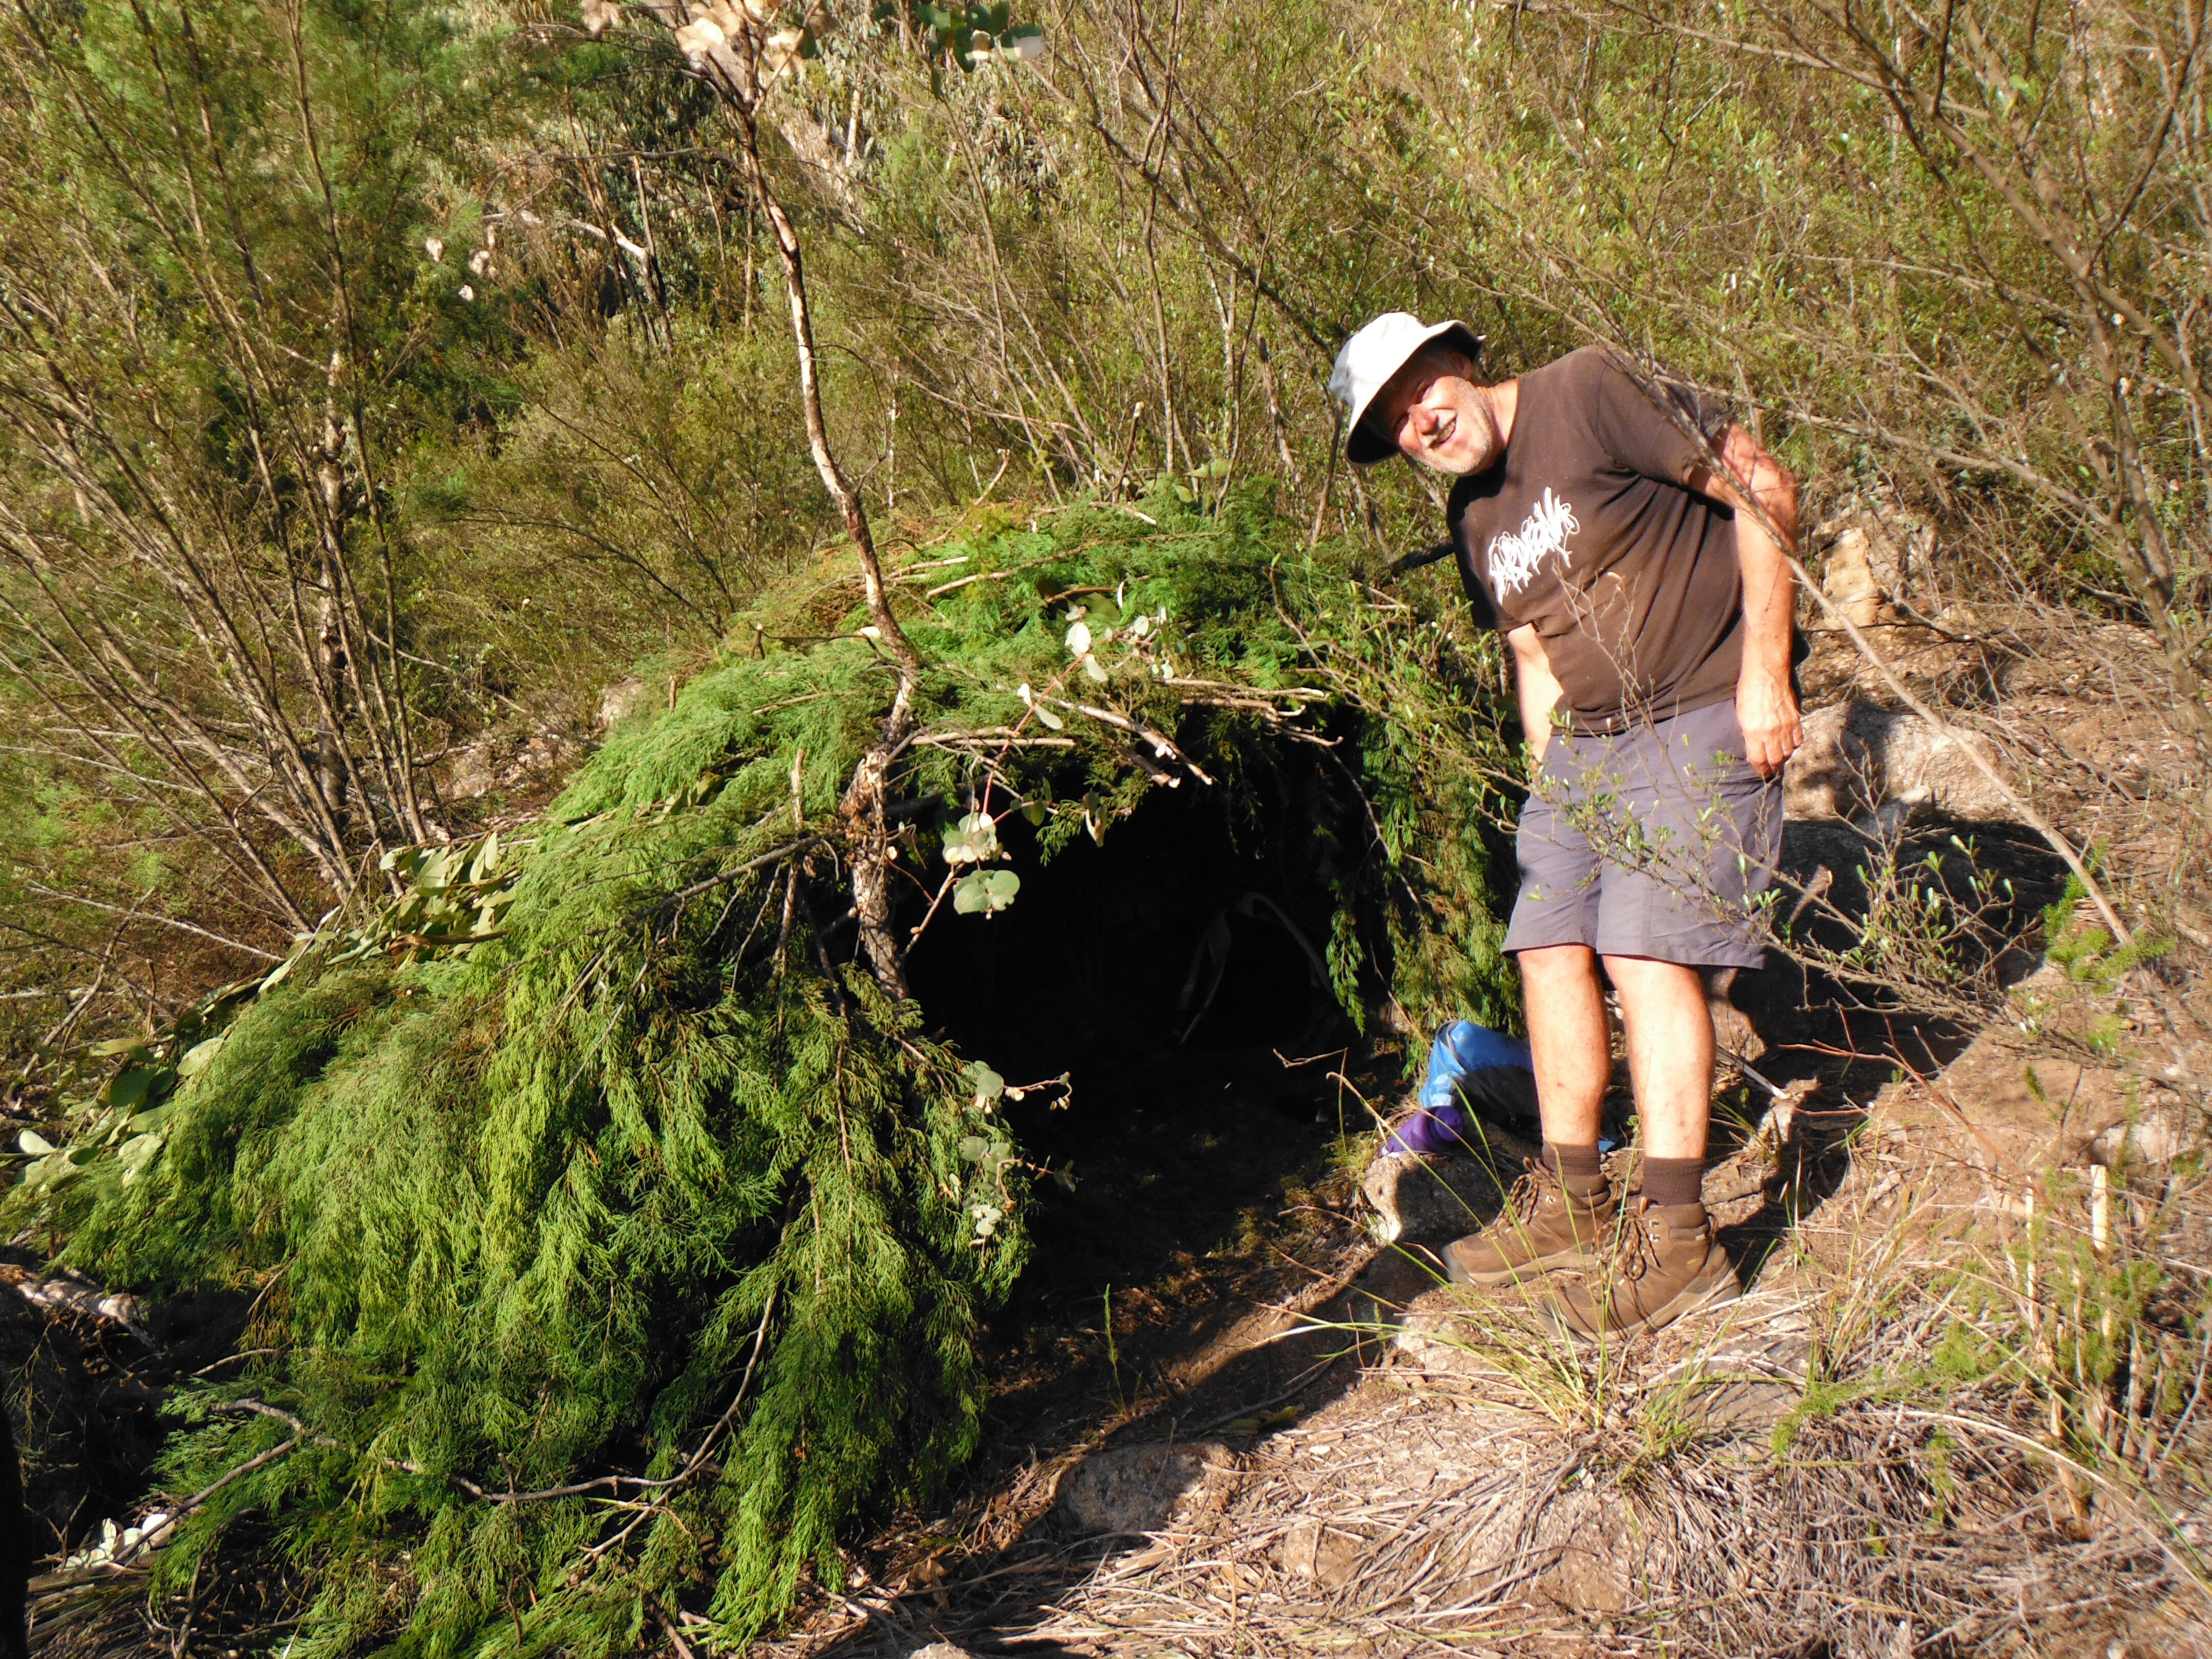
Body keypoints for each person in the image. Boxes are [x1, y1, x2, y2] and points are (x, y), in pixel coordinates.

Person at [1329, 314, 1803, 1335]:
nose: (1419, 421)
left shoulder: (1588, 388)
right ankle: (1576, 1197)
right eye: (1394, 423)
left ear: (1456, 362)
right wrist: (1556, 793)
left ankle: (1682, 1238)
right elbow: (1535, 654)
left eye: (1420, 392)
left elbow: (1762, 487)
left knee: (1643, 957)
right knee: (1545, 946)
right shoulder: (1473, 521)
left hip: (1699, 703)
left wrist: (1767, 670)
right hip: (1588, 746)